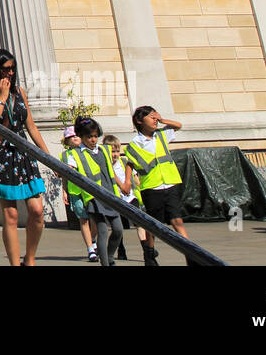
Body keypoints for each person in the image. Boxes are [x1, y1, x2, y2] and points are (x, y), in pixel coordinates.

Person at [0, 47, 49, 265]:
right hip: (2, 154)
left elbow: (31, 126)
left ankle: (30, 259)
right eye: (6, 69)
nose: (11, 73)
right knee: (11, 215)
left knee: (37, 211)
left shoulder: (20, 92)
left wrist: (46, 155)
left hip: (23, 152)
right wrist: (3, 97)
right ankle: (15, 263)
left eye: (13, 69)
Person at [126, 105, 187, 265]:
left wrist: (162, 120)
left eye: (155, 116)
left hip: (170, 183)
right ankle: (149, 253)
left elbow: (178, 126)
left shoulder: (161, 135)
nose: (155, 119)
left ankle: (191, 253)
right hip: (151, 188)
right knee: (154, 225)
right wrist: (127, 182)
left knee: (177, 221)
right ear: (140, 121)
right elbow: (130, 164)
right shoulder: (134, 144)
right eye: (151, 117)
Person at [71, 116, 130, 267]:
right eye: (89, 136)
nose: (93, 139)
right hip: (93, 198)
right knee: (102, 231)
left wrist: (122, 185)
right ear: (81, 136)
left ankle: (109, 257)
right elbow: (70, 170)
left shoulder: (104, 150)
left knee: (118, 230)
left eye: (95, 136)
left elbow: (110, 172)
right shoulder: (76, 154)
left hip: (110, 195)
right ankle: (105, 262)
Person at [106, 134, 155, 266]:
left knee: (139, 223)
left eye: (117, 151)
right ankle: (120, 249)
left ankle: (146, 250)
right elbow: (113, 177)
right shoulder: (106, 165)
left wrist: (138, 184)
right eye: (112, 151)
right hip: (116, 199)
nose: (115, 154)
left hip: (130, 197)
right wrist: (121, 186)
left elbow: (133, 176)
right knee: (119, 227)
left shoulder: (123, 161)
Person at [60, 127, 98, 262]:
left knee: (95, 219)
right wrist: (64, 190)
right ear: (67, 141)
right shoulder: (65, 156)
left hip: (90, 190)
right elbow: (64, 175)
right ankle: (90, 249)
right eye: (71, 137)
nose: (75, 138)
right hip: (75, 191)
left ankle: (93, 239)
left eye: (77, 135)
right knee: (83, 219)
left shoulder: (88, 151)